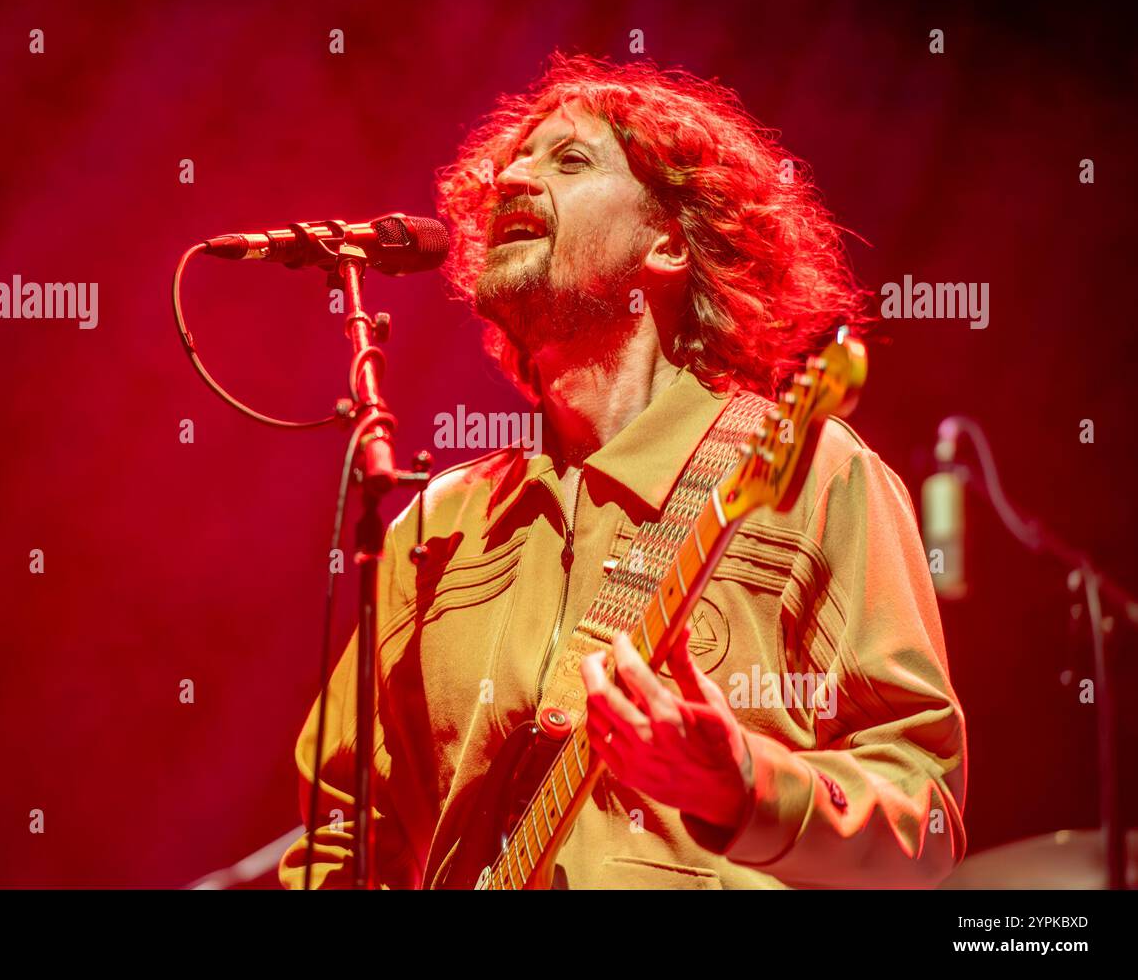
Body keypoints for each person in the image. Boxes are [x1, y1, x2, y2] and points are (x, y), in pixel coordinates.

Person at [279, 53, 966, 889]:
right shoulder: (436, 529)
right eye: (511, 162)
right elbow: (345, 832)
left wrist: (743, 785)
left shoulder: (807, 475)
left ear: (671, 243)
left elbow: (922, 811)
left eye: (569, 161)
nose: (511, 179)